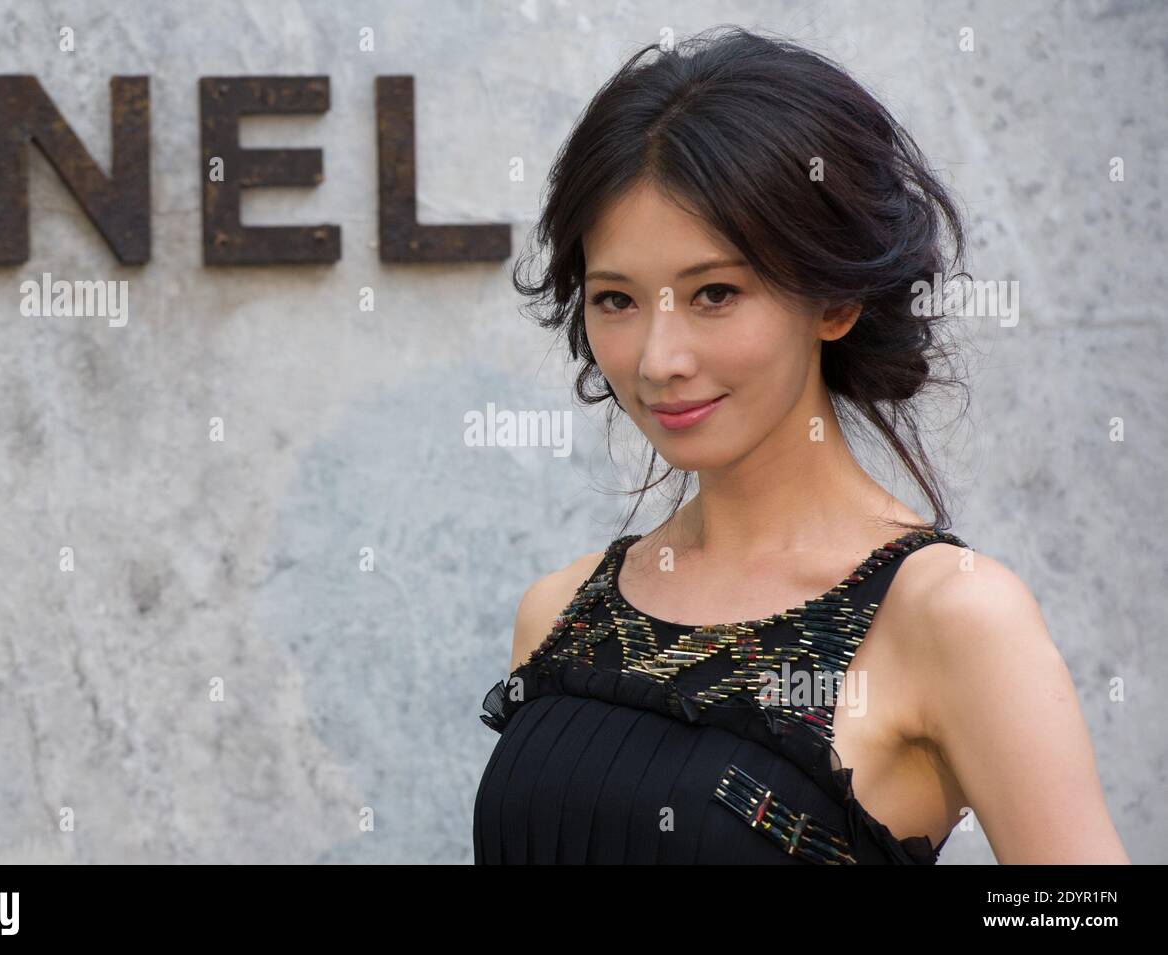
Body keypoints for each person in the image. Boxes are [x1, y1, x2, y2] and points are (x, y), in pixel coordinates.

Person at [472, 26, 1129, 864]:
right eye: (616, 299)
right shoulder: (559, 614)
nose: (658, 359)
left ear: (835, 300)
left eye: (714, 292)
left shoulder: (949, 617)